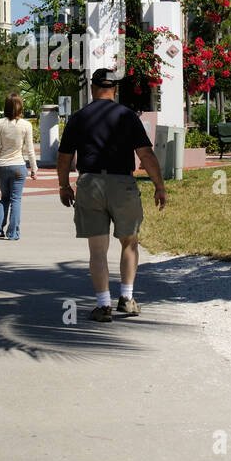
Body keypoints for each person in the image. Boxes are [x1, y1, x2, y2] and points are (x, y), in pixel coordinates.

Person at [57, 68, 167, 322]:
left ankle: (103, 304)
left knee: (98, 250)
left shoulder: (79, 117)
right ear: (114, 89)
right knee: (129, 242)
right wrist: (159, 186)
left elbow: (64, 157)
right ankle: (127, 299)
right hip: (123, 184)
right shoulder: (127, 116)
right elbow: (146, 155)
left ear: (93, 88)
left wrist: (64, 186)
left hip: (90, 183)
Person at [0, 93, 37, 240]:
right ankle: (13, 233)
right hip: (18, 166)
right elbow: (30, 150)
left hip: (2, 166)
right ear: (20, 107)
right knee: (16, 199)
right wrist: (34, 169)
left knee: (5, 197)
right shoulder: (26, 125)